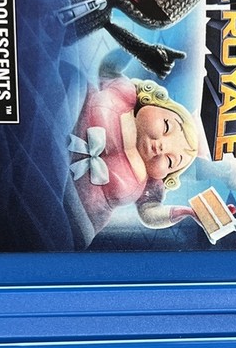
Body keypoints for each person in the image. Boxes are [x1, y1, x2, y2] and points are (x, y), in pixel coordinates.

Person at [66, 55, 203, 245]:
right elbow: (109, 67)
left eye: (171, 161)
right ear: (155, 103)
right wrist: (138, 50)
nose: (163, 146)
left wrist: (186, 212)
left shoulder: (150, 184)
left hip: (69, 209)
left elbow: (150, 214)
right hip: (54, 117)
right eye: (166, 127)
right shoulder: (125, 94)